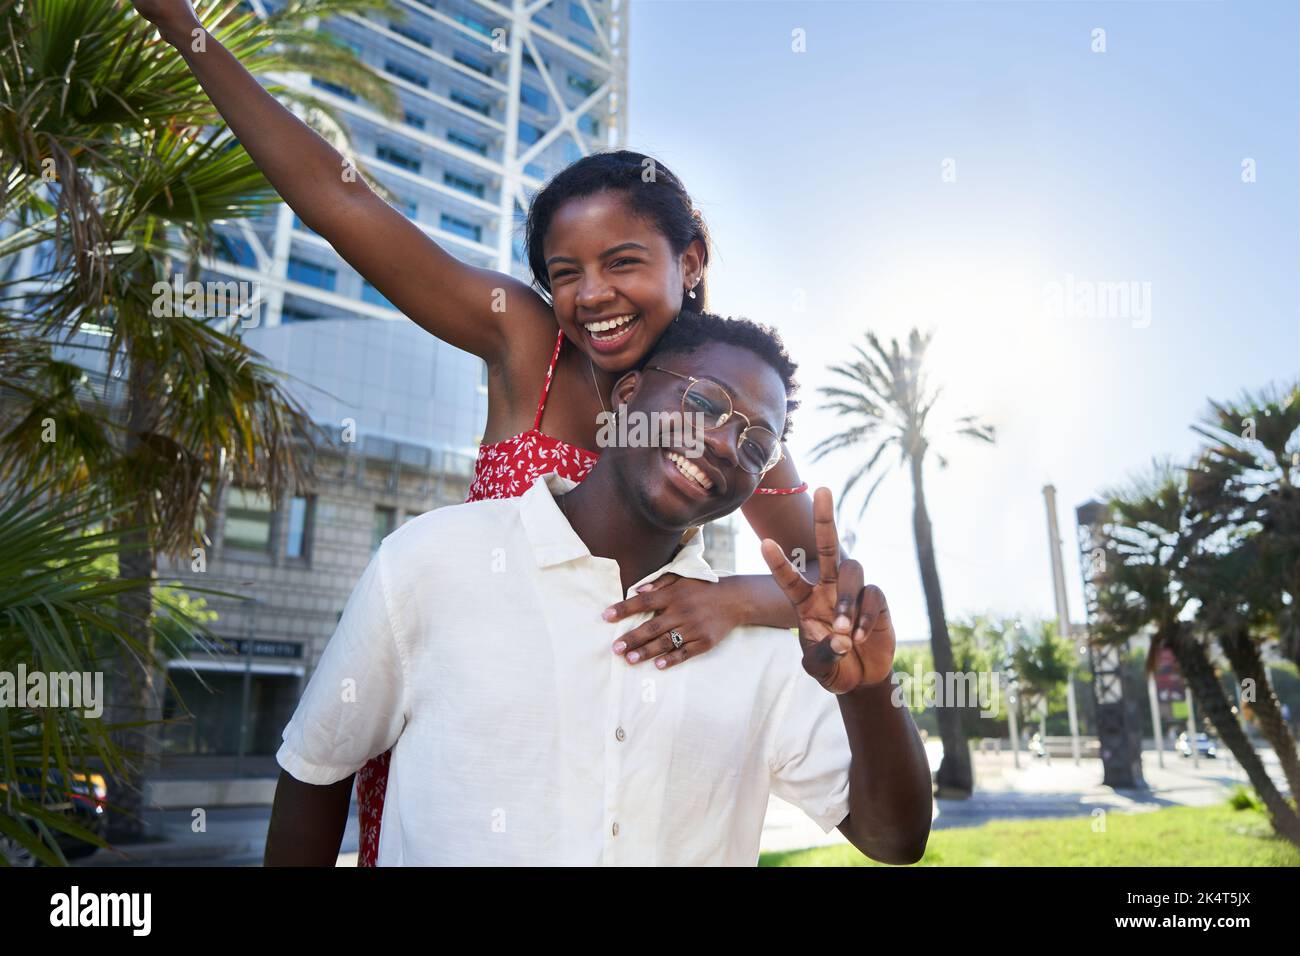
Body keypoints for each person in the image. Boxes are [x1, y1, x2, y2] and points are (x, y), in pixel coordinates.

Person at [129, 0, 841, 865]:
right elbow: (334, 199)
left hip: (627, 743)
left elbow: (827, 587)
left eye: (624, 262)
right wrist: (182, 25)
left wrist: (728, 602)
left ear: (688, 264)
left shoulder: (733, 411)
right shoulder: (527, 338)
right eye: (565, 272)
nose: (592, 296)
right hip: (484, 729)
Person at [264, 313, 933, 865]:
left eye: (759, 445)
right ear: (626, 395)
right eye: (706, 402)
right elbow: (316, 768)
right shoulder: (433, 558)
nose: (729, 445)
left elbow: (895, 839)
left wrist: (870, 692)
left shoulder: (772, 642)